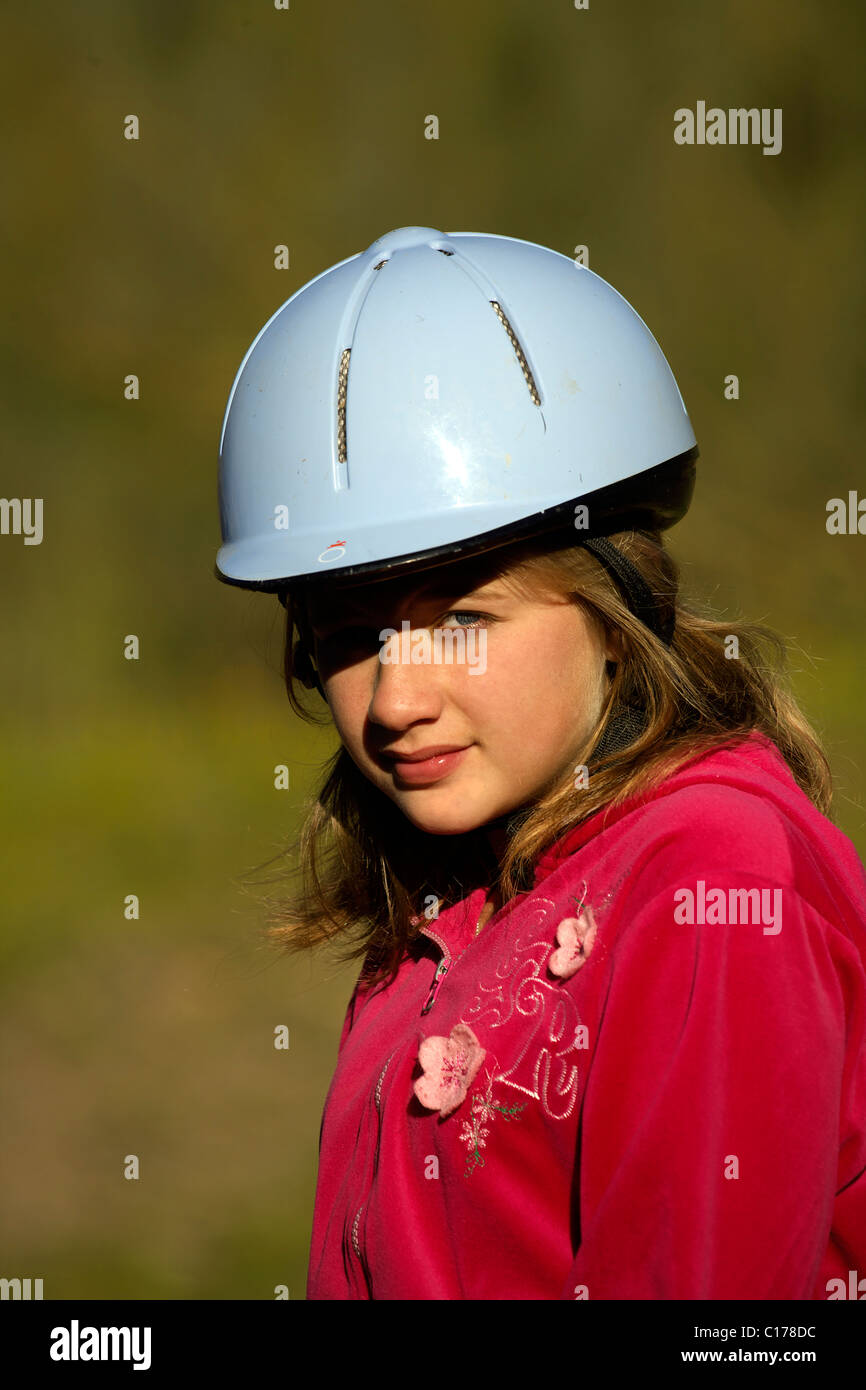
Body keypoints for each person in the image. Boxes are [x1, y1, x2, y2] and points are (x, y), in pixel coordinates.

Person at [215, 226, 866, 1300]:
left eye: (462, 619)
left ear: (617, 607)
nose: (394, 702)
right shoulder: (452, 884)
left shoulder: (709, 877)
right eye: (345, 641)